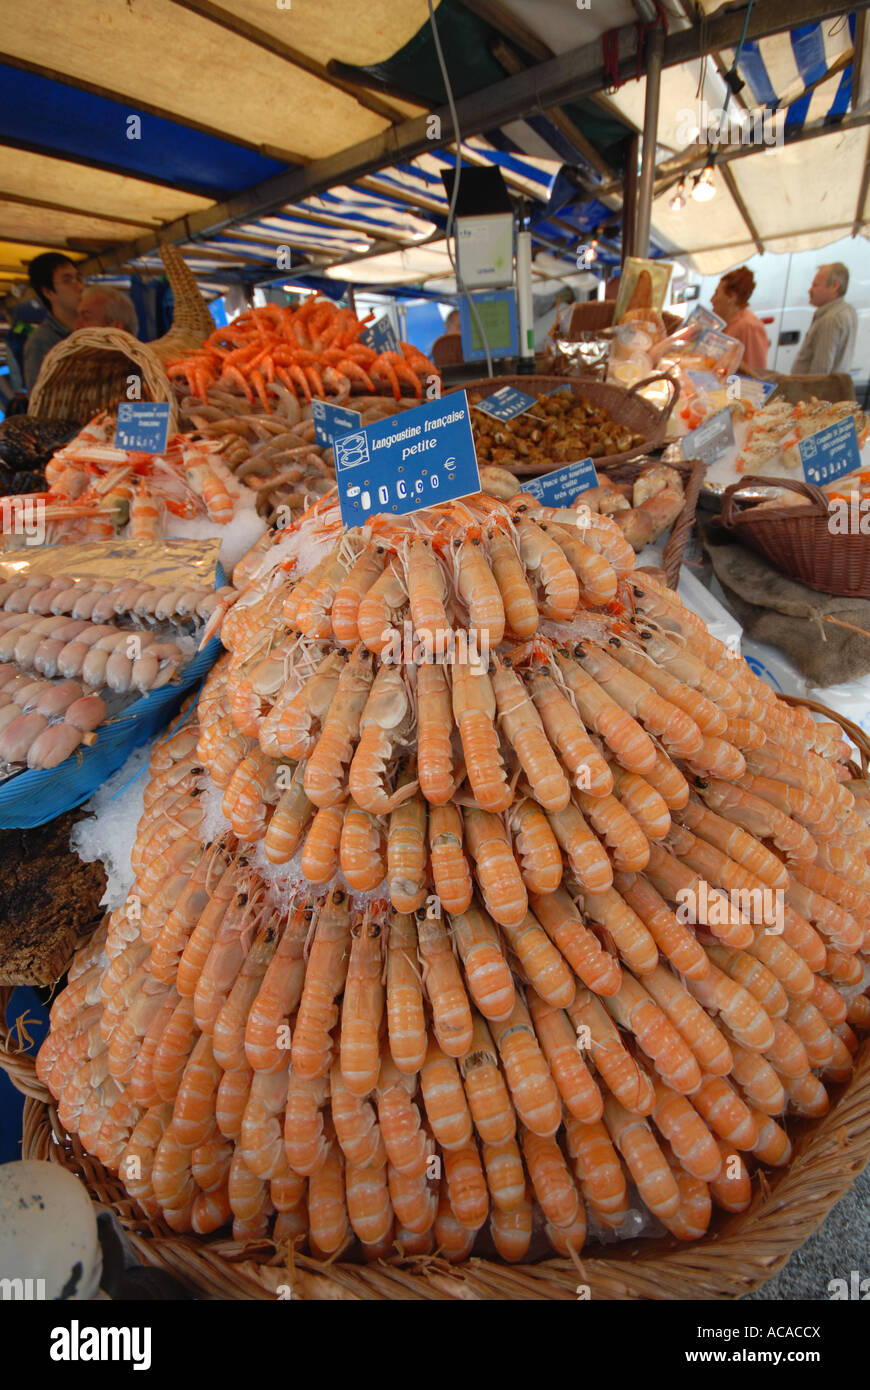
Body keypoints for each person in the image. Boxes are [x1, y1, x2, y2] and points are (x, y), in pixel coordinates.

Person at [23, 253, 83, 390]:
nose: (79, 286)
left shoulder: (94, 330)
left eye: (79, 278)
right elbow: (38, 399)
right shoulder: (40, 342)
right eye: (68, 280)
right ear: (48, 292)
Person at [792, 263, 857, 376]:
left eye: (815, 285)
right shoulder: (848, 310)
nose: (810, 290)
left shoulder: (830, 319)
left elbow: (819, 373)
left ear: (835, 286)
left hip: (815, 391)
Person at [710, 267, 769, 372]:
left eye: (717, 293)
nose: (712, 300)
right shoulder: (726, 323)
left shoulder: (749, 326)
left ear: (731, 297)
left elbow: (754, 371)